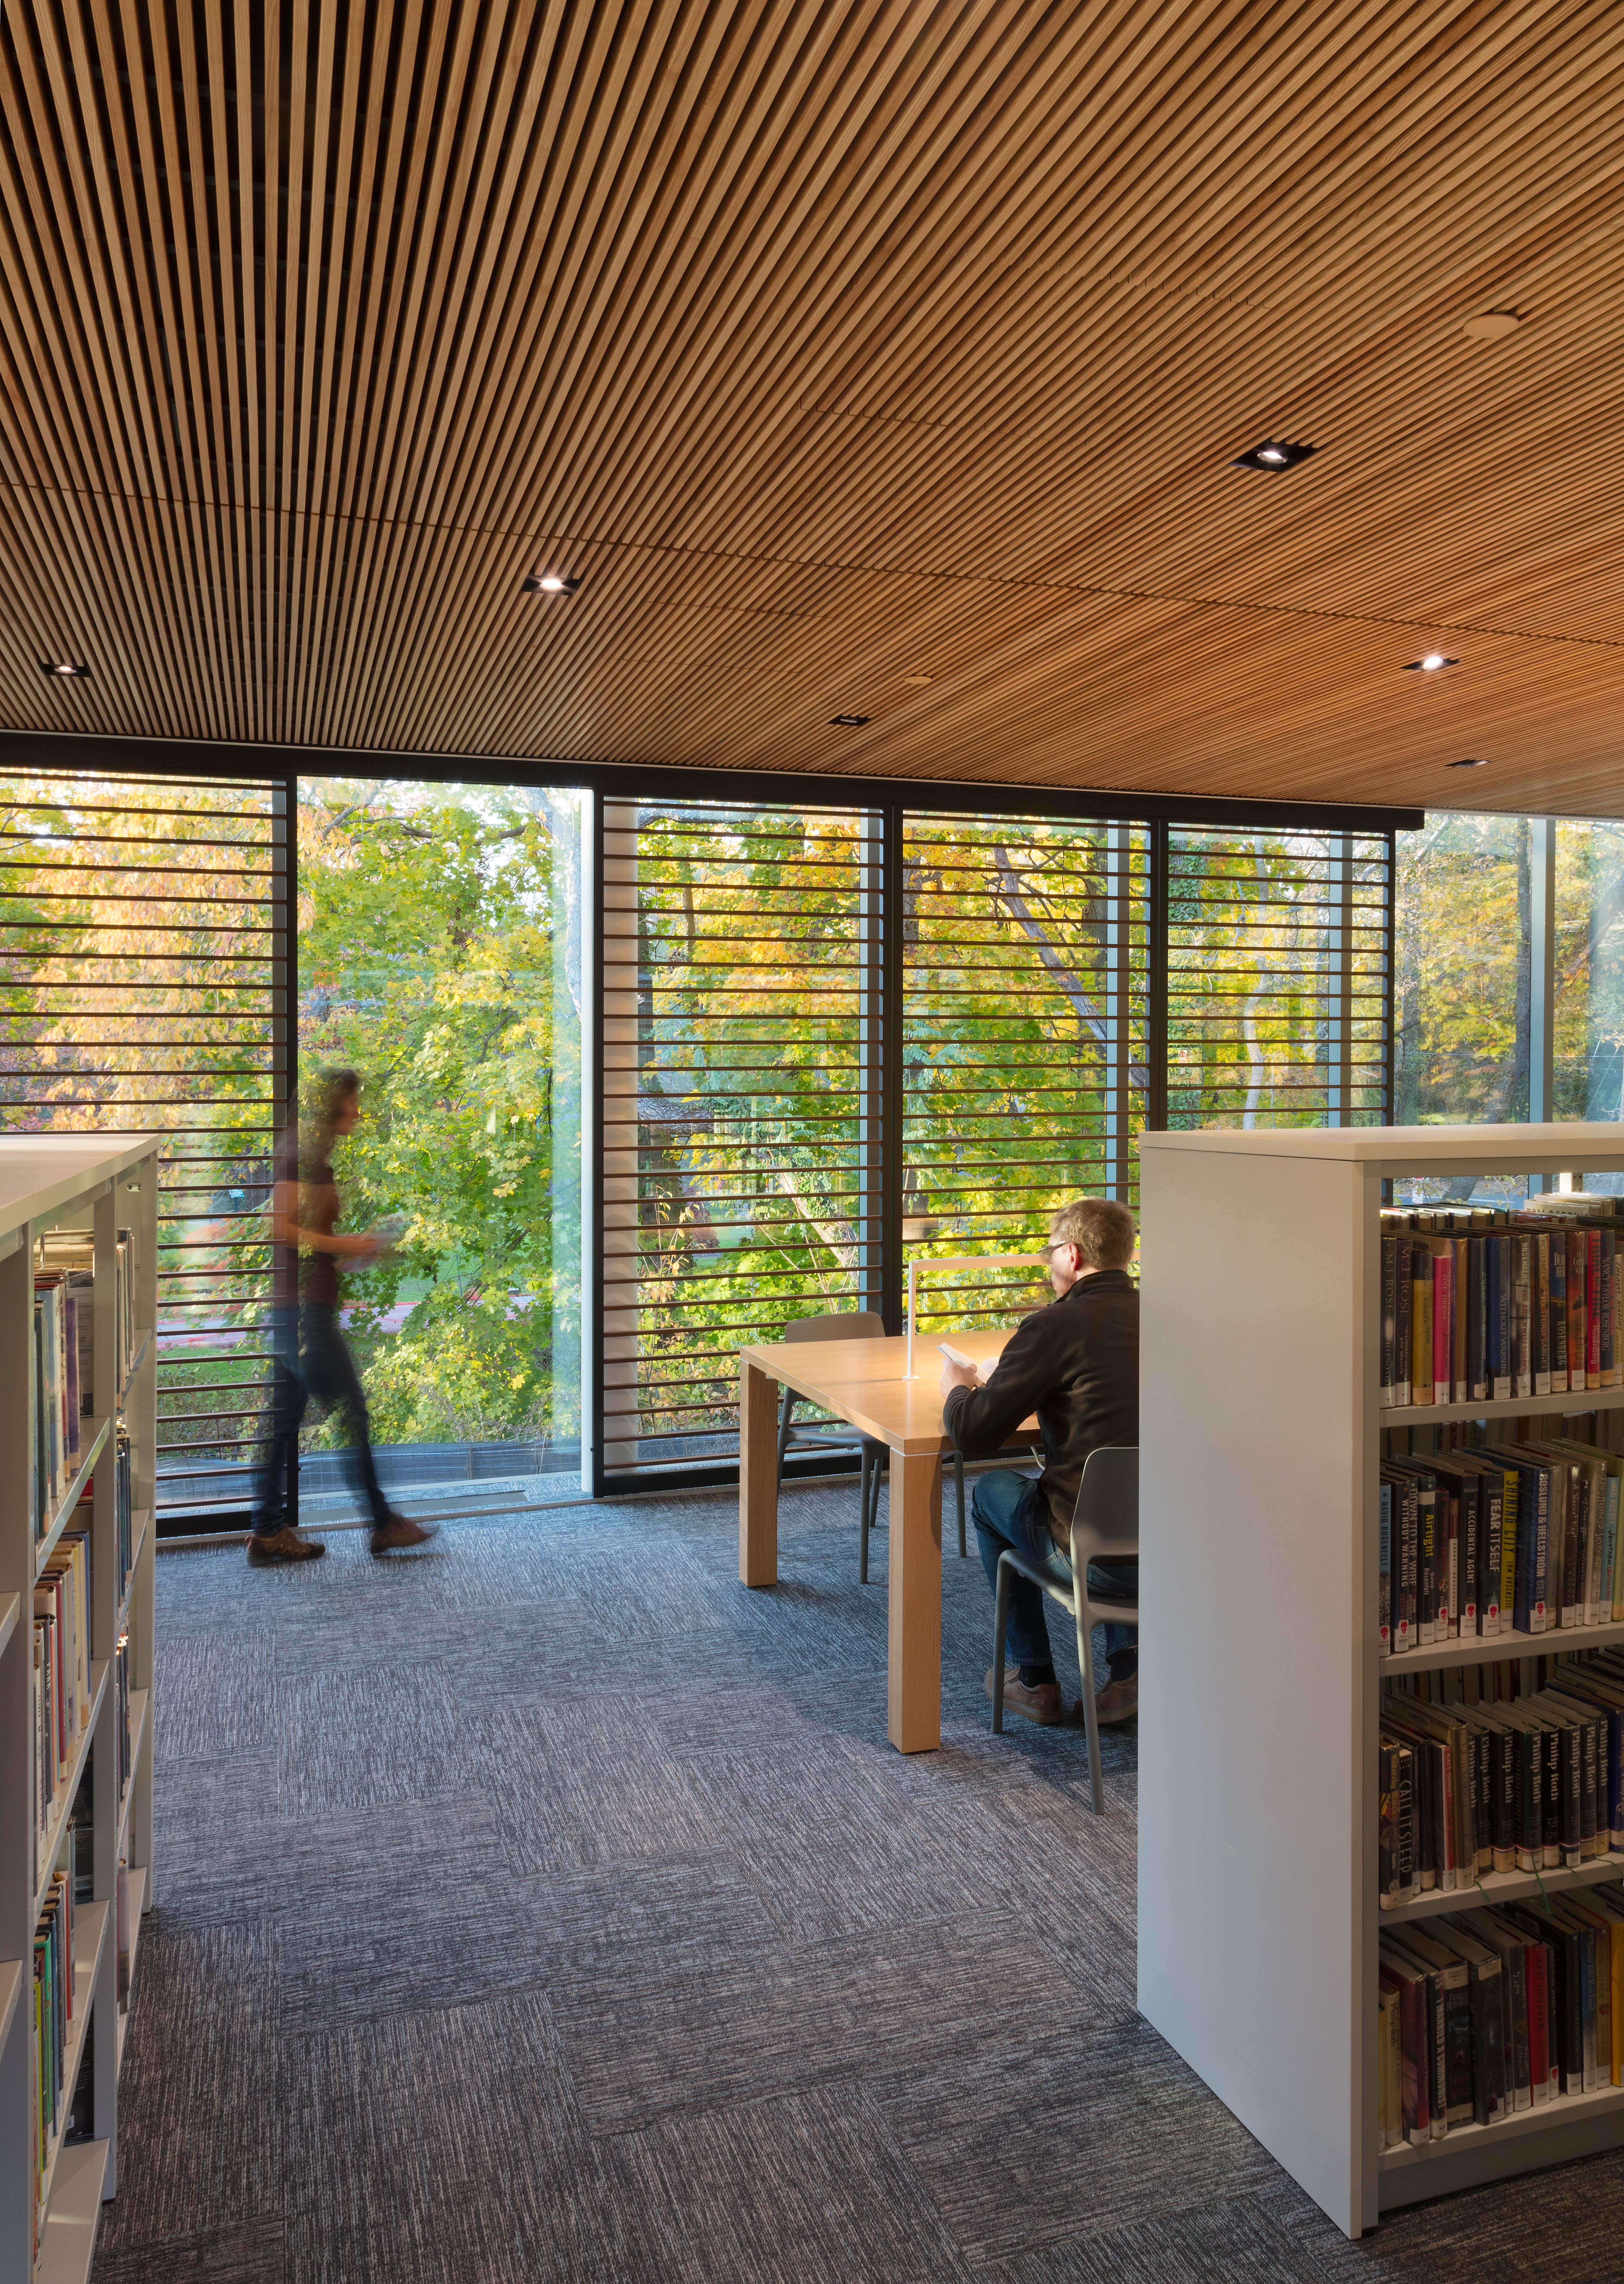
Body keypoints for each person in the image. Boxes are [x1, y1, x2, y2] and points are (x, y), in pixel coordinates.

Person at [939, 1197, 1138, 1728]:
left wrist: (958, 1388)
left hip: (1090, 1556)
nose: (1049, 1264)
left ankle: (1034, 1679)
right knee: (1129, 1481)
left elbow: (972, 1432)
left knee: (990, 1493)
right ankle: (1131, 1669)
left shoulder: (1054, 1326)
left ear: (1072, 1255)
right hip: (1176, 1550)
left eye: (1050, 1253)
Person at [249, 1069, 436, 1563]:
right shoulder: (300, 1157)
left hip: (297, 1309)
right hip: (303, 1314)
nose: (358, 1111)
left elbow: (310, 1245)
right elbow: (280, 1227)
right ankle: (383, 1523)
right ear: (331, 1105)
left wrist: (357, 1252)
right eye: (353, 1102)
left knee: (282, 1423)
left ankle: (267, 1533)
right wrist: (346, 1245)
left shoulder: (316, 1159)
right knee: (351, 1412)